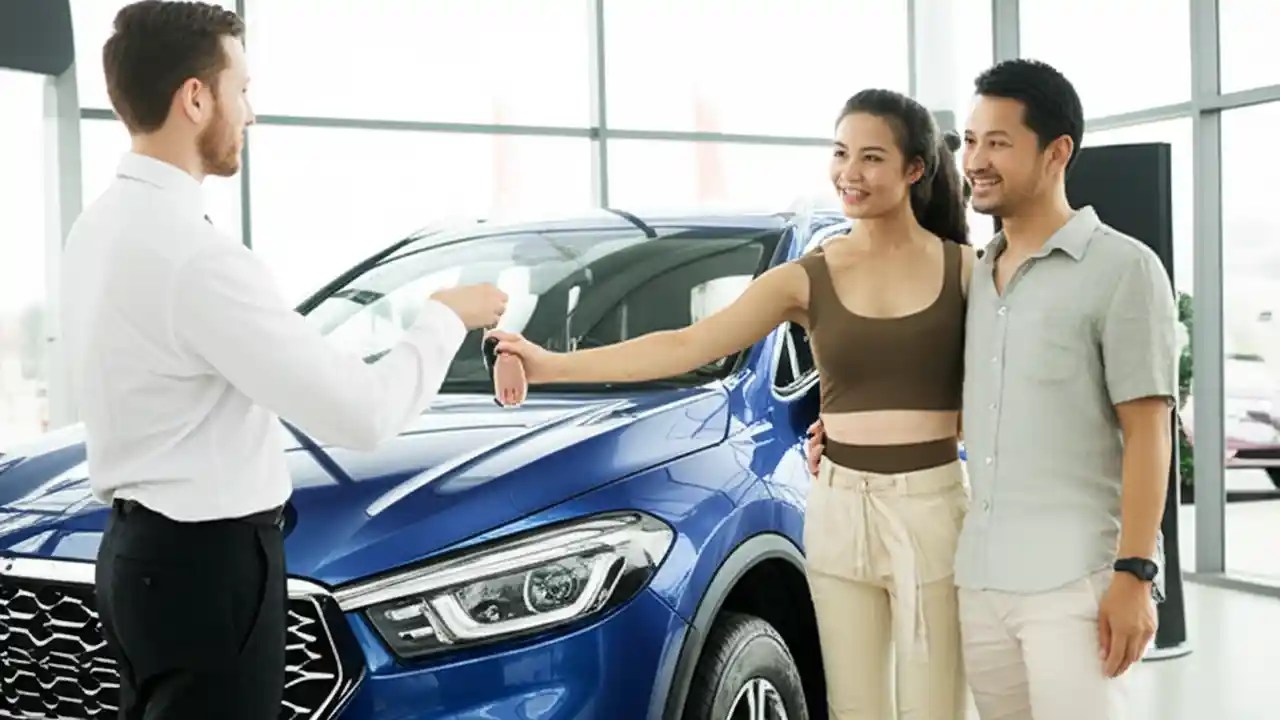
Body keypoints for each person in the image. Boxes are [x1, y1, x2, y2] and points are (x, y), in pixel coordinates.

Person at [59, 2, 507, 717]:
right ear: (195, 97)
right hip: (208, 573)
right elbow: (363, 414)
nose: (251, 114)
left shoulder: (98, 227)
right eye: (242, 90)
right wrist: (444, 317)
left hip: (134, 560)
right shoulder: (196, 257)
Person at [489, 88, 975, 719]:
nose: (849, 173)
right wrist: (548, 364)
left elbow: (1001, 394)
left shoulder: (966, 271)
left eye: (871, 157)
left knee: (938, 708)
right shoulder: (808, 275)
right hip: (841, 506)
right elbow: (686, 345)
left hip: (934, 501)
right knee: (857, 709)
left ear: (915, 169)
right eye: (840, 152)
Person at [807, 58, 1178, 720]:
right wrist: (846, 432)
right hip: (976, 580)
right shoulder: (976, 277)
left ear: (1057, 152)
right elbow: (967, 405)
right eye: (972, 141)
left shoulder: (1123, 268)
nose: (975, 159)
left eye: (998, 143)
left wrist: (1136, 574)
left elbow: (1149, 430)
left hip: (1075, 583)